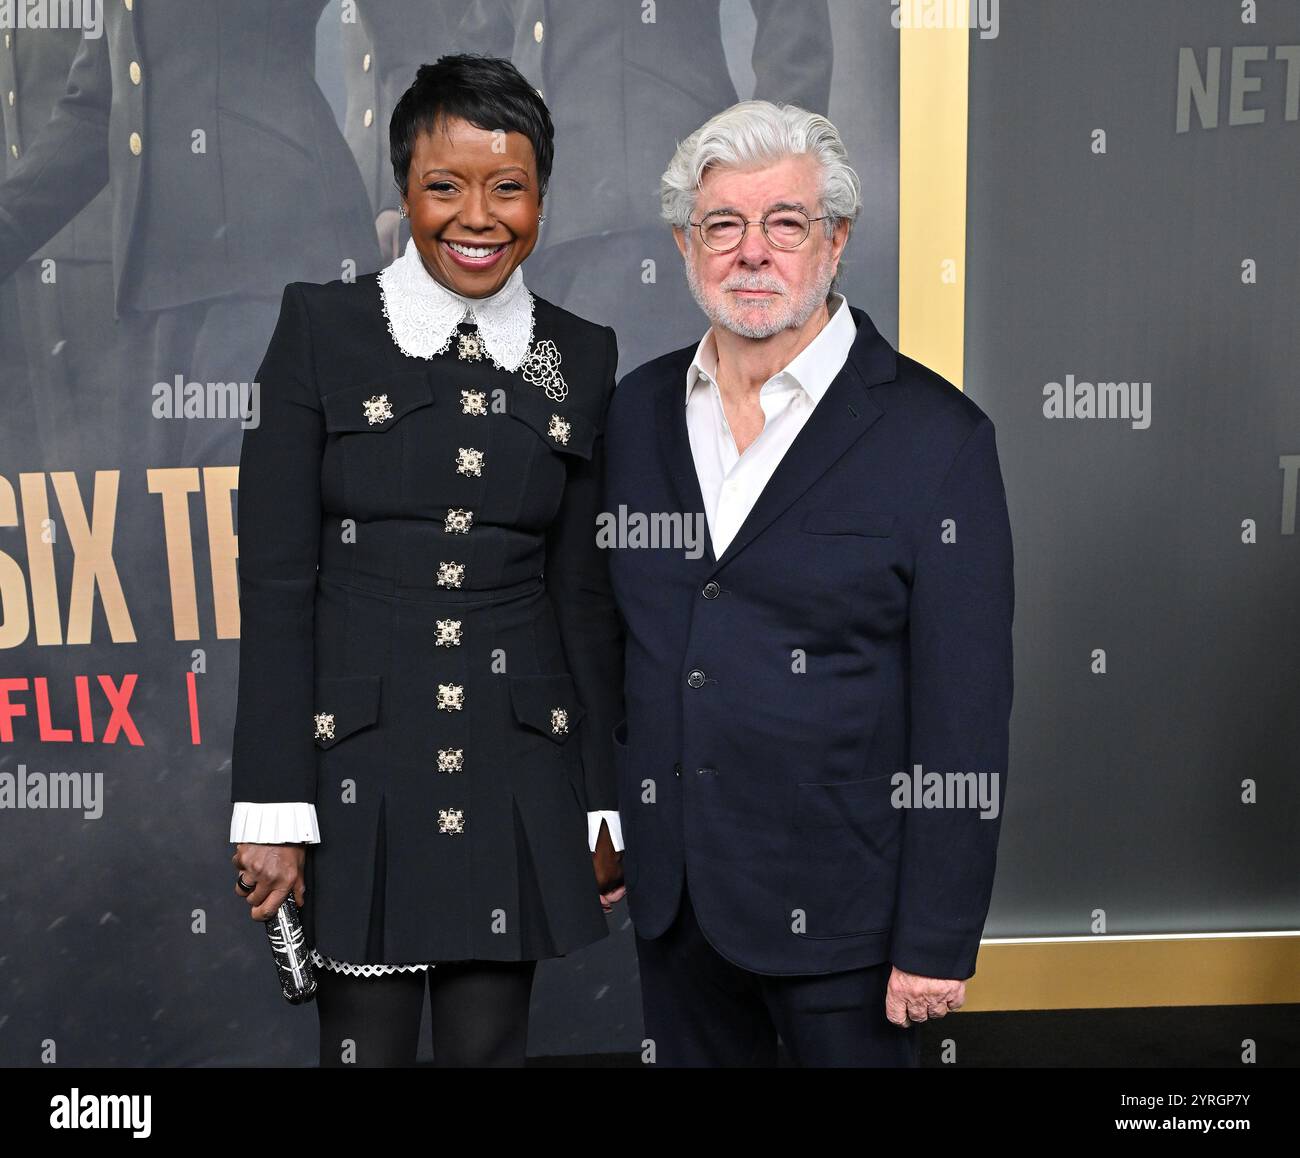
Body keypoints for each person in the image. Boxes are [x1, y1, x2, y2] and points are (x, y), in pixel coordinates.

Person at [228, 54, 625, 1068]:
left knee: (491, 1049)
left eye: (508, 186)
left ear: (542, 195)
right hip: (359, 758)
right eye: (444, 185)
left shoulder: (574, 354)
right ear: (404, 188)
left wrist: (600, 794)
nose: (477, 216)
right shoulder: (323, 327)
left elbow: (581, 596)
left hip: (515, 754)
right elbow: (275, 585)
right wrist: (273, 803)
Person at [604, 100, 1015, 1066]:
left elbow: (965, 709)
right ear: (684, 242)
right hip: (680, 908)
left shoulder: (937, 439)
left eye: (785, 223)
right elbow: (614, 638)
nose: (753, 252)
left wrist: (936, 937)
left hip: (853, 924)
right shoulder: (635, 412)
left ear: (835, 241)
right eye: (723, 225)